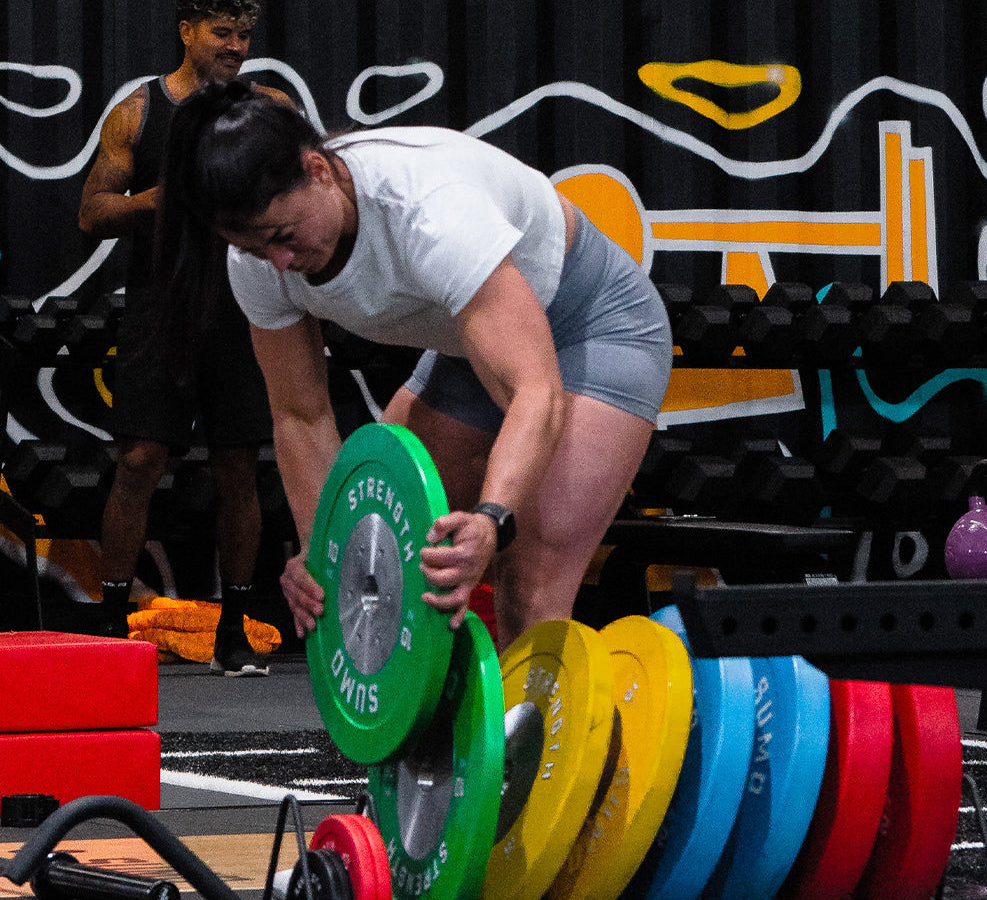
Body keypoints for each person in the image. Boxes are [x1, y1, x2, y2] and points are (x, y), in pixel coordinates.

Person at [154, 80, 673, 652]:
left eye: (283, 236)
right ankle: (438, 737)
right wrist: (323, 551)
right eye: (256, 248)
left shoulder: (427, 208)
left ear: (319, 169)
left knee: (526, 578)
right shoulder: (258, 264)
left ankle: (534, 739)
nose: (279, 261)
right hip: (471, 347)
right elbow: (301, 416)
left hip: (592, 326)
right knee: (381, 547)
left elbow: (534, 389)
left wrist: (492, 517)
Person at [78, 0, 292, 675]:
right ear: (187, 32)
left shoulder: (268, 109)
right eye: (221, 34)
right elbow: (92, 213)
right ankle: (112, 618)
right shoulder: (139, 110)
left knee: (238, 469)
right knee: (139, 461)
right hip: (161, 308)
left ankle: (236, 626)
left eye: (242, 36)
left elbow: (313, 188)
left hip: (245, 308)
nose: (234, 47)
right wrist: (155, 200)